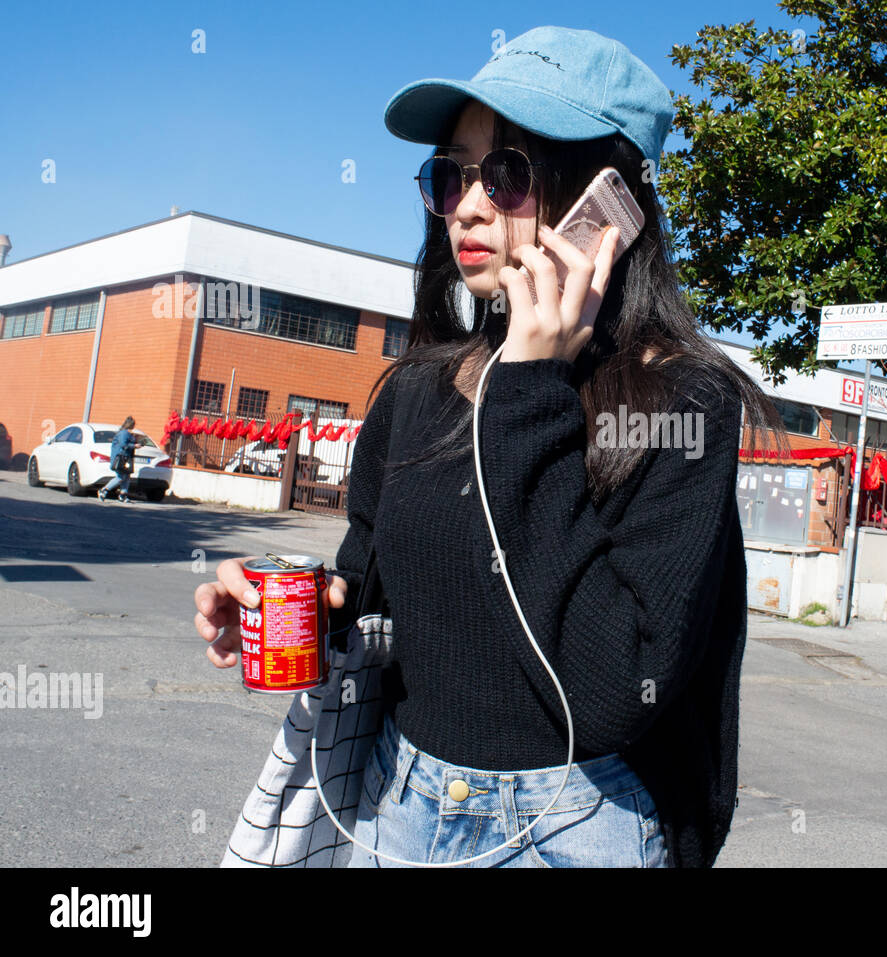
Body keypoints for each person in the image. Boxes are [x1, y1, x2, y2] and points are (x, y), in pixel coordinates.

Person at [192, 26, 788, 868]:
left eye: (505, 173)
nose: (467, 205)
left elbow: (618, 684)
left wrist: (531, 391)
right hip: (401, 803)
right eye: (450, 174)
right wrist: (286, 609)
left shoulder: (682, 403)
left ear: (606, 204)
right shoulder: (418, 391)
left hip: (579, 822)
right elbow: (372, 593)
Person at [98, 416, 136, 503]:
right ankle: (104, 490)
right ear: (130, 425)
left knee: (126, 476)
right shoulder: (124, 433)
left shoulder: (126, 433)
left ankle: (123, 495)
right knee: (120, 477)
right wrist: (134, 445)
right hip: (120, 458)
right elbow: (123, 444)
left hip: (125, 458)